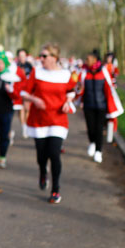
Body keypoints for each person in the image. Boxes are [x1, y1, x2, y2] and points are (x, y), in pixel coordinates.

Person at [20, 44, 77, 204]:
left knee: (55, 153)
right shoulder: (37, 72)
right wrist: (34, 99)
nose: (41, 59)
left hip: (58, 119)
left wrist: (68, 101)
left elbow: (71, 91)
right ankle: (42, 172)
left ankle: (55, 189)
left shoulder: (66, 74)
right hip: (39, 120)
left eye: (44, 56)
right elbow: (24, 92)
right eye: (41, 56)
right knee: (41, 155)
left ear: (54, 58)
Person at [76, 49, 124, 163]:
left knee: (99, 129)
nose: (86, 61)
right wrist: (79, 93)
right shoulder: (84, 73)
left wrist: (111, 106)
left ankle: (99, 151)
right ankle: (92, 142)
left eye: (88, 59)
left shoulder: (103, 72)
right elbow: (79, 88)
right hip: (88, 105)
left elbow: (109, 88)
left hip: (101, 106)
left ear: (95, 60)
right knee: (90, 128)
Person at [15, 48, 33, 138]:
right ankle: (24, 127)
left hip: (27, 90)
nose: (22, 58)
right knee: (21, 109)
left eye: (23, 56)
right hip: (19, 90)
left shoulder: (29, 66)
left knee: (27, 109)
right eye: (20, 56)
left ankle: (26, 124)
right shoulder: (15, 66)